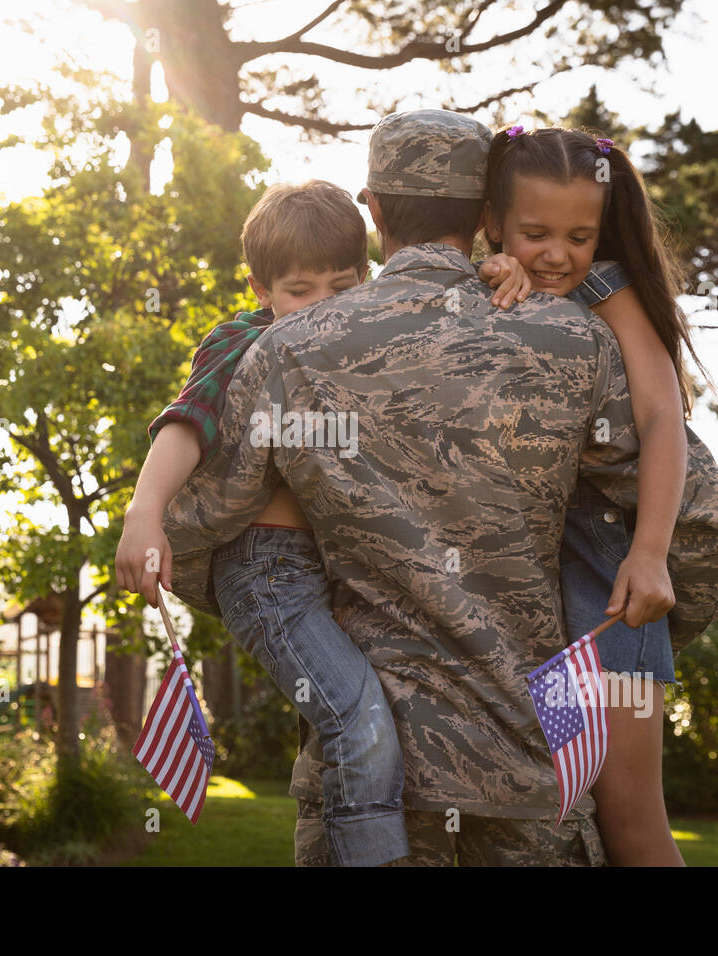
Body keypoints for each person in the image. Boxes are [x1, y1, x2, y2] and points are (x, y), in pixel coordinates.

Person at [159, 108, 718, 866]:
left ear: (371, 208)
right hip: (531, 779)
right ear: (485, 215)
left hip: (367, 796)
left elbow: (196, 526)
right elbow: (701, 525)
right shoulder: (576, 340)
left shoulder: (287, 351)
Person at [114, 179, 538, 866]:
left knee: (377, 721)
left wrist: (494, 269)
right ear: (260, 290)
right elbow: (184, 426)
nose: (321, 308)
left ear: (366, 276)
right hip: (267, 573)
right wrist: (144, 513)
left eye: (341, 288)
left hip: (343, 571)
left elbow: (448, 341)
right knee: (359, 722)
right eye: (299, 292)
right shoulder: (246, 340)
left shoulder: (366, 342)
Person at [481, 124, 714, 864]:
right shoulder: (480, 282)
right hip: (543, 584)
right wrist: (491, 274)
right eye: (535, 234)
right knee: (569, 809)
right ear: (493, 222)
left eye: (580, 235)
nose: (558, 255)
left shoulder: (604, 289)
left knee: (630, 816)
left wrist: (650, 555)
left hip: (613, 579)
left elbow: (662, 417)